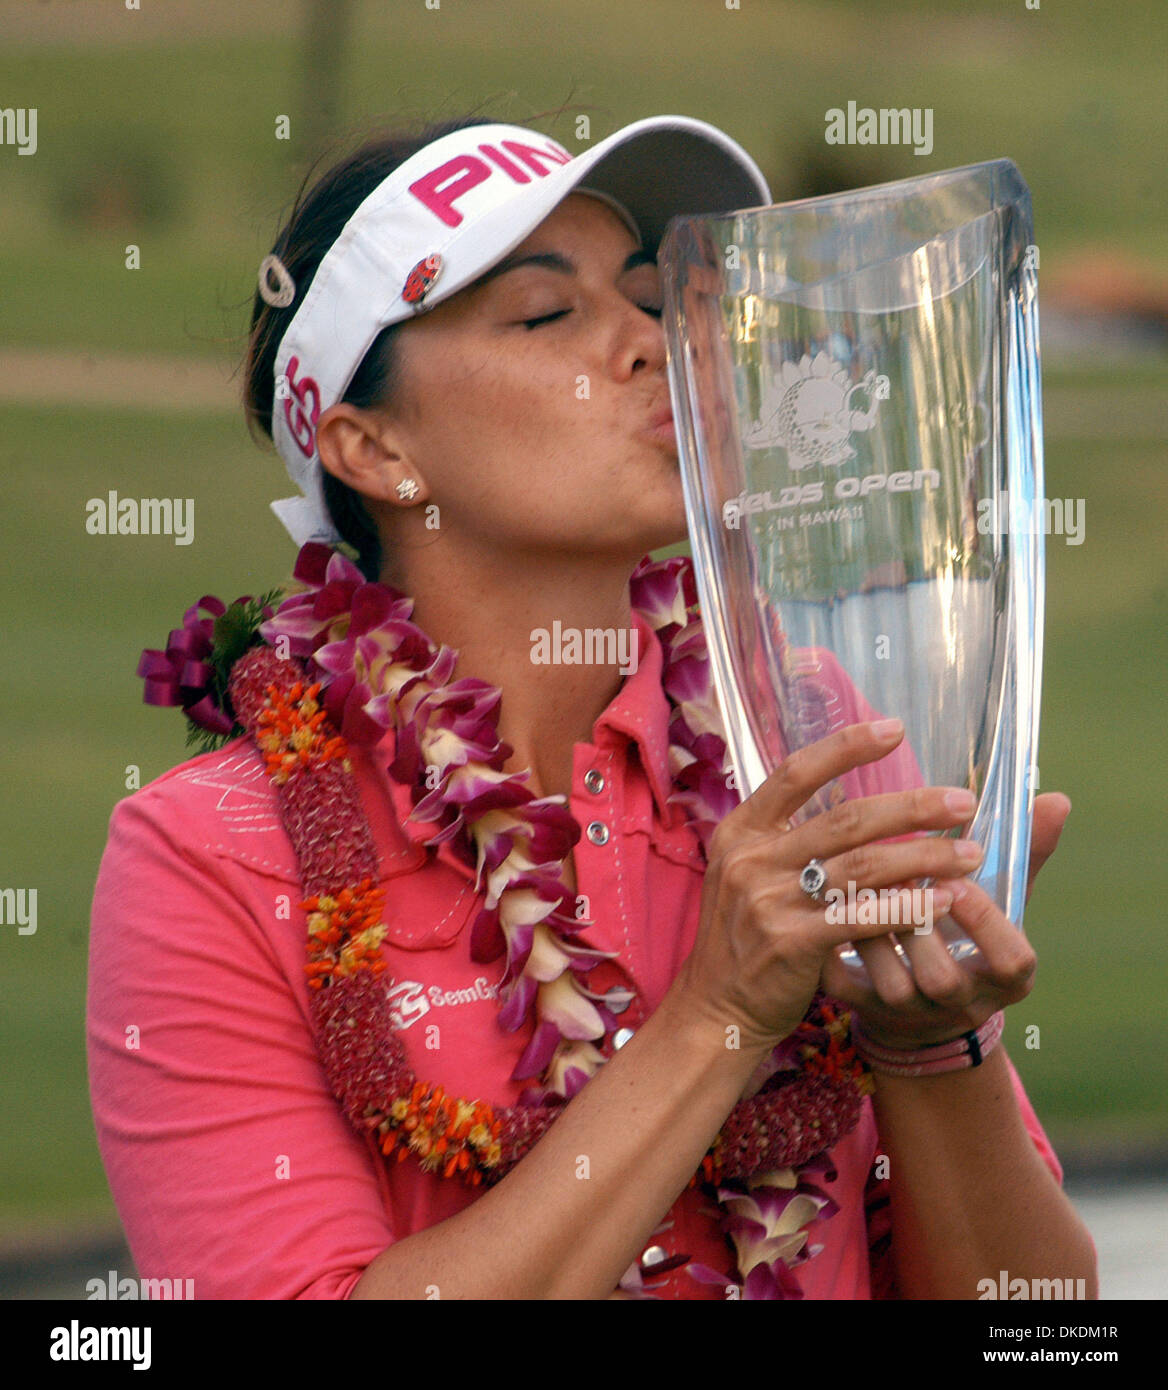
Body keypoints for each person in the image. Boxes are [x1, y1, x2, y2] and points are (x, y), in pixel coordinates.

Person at [88, 113, 1097, 1301]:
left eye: (647, 297)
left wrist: (933, 1040)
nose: (649, 343)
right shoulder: (206, 856)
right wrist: (717, 1016)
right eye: (546, 313)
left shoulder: (806, 745)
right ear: (372, 447)